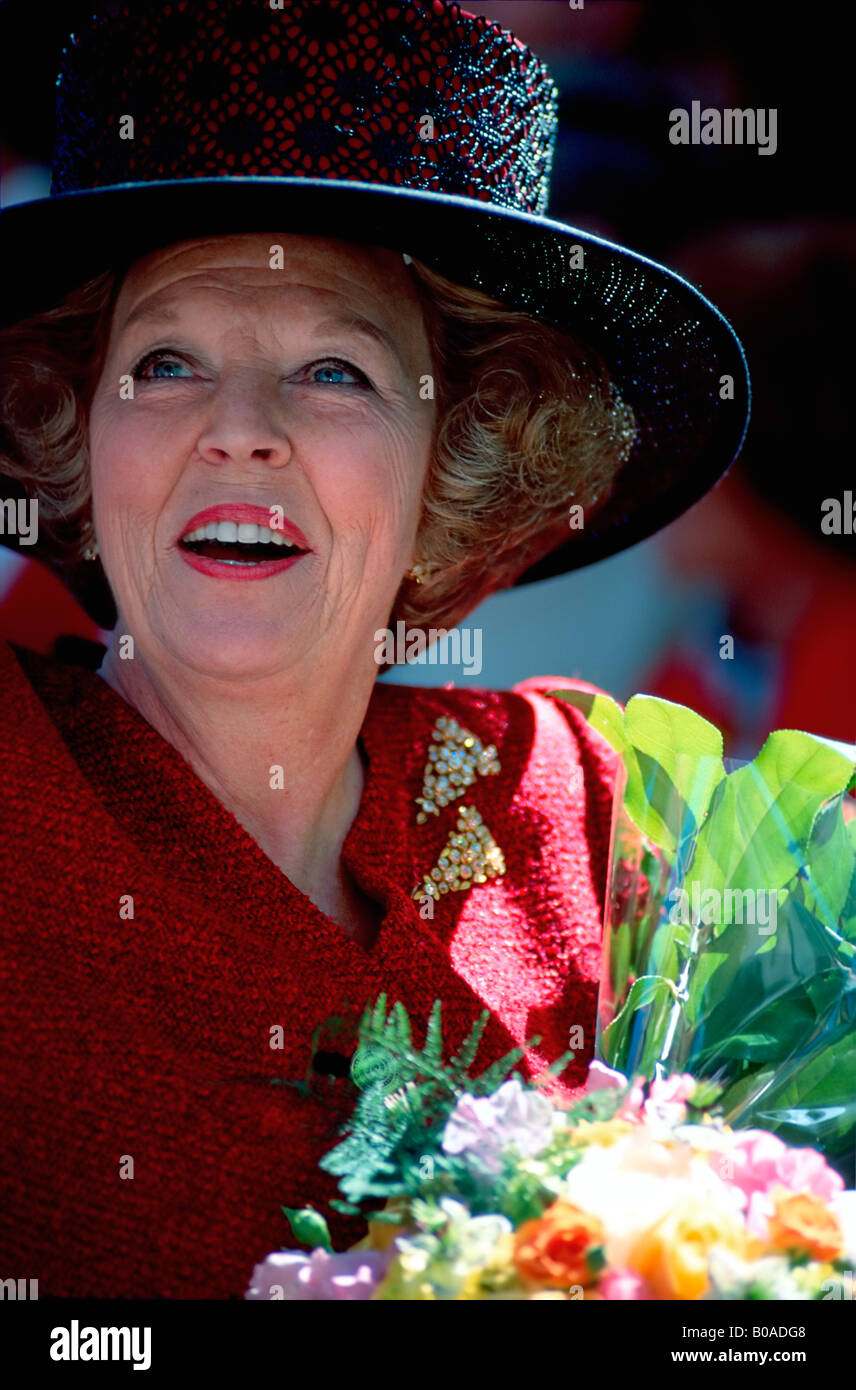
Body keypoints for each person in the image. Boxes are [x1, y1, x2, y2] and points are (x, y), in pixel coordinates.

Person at [0, 0, 748, 1298]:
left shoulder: (560, 799)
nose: (241, 428)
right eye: (166, 362)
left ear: (455, 458)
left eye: (335, 372)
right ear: (72, 431)